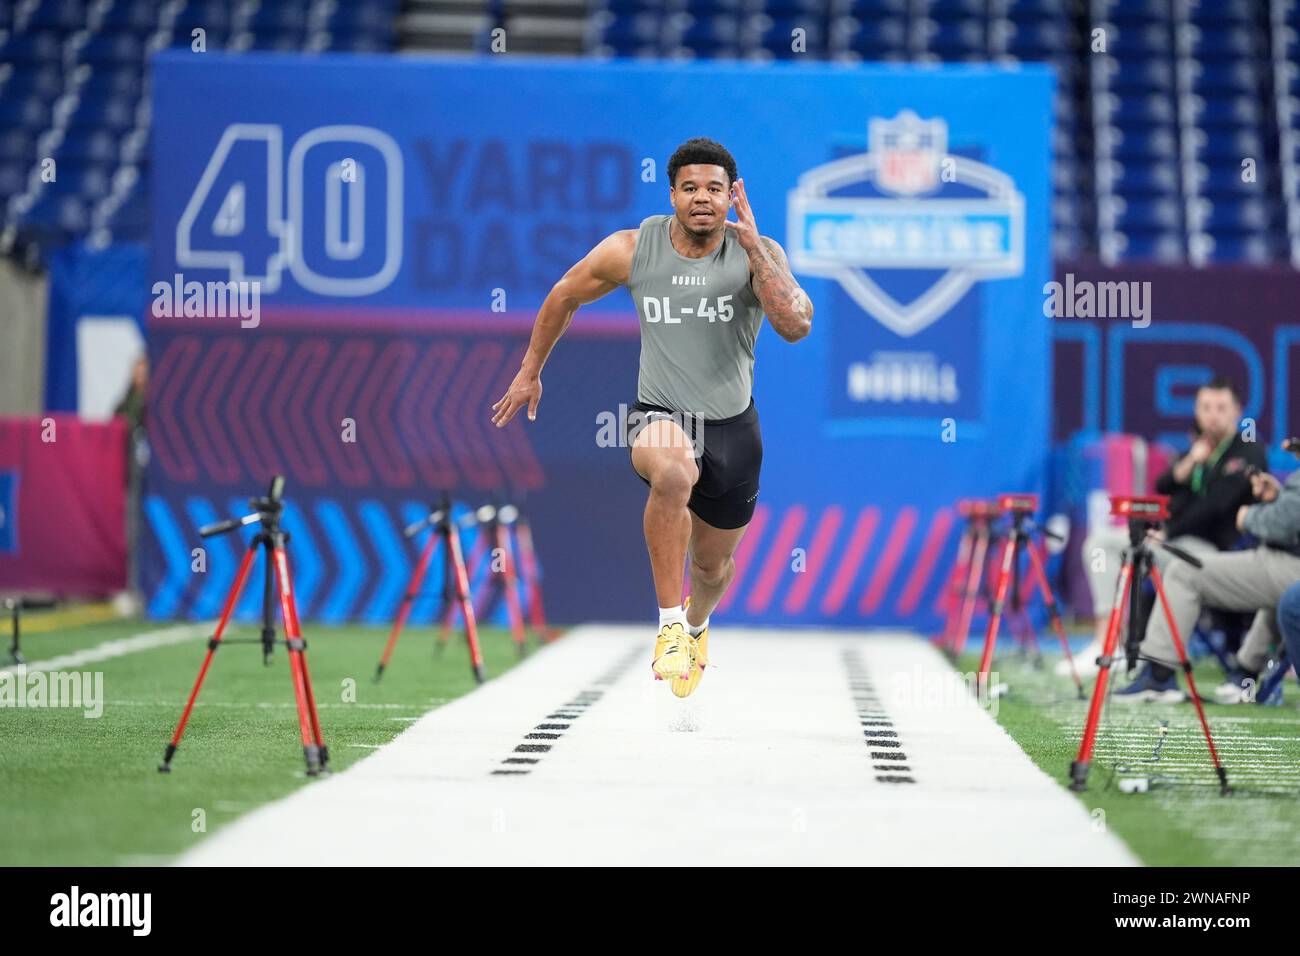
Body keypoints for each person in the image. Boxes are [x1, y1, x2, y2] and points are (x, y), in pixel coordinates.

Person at [490, 137, 813, 699]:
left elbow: (796, 324)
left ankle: (695, 624)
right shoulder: (632, 249)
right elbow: (564, 295)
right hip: (659, 413)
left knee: (712, 570)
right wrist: (529, 371)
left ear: (732, 195)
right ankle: (667, 628)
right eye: (690, 189)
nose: (702, 199)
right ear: (673, 196)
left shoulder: (758, 253)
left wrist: (756, 247)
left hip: (734, 431)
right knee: (671, 472)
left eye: (714, 188)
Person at [1066, 378, 1264, 679]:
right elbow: (1163, 488)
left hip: (1215, 552)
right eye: (1205, 407)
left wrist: (1168, 532)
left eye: (1221, 408)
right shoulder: (1200, 449)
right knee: (1099, 544)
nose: (1212, 415)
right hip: (1174, 542)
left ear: (1237, 411)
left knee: (1163, 565)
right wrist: (1187, 465)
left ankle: (1156, 667)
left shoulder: (1248, 449)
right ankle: (1108, 641)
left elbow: (1216, 507)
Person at [1116, 445, 1300, 702]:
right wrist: (1279, 499)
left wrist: (1250, 516)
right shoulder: (1192, 456)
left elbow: (1281, 526)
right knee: (1284, 597)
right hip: (1284, 564)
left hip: (1288, 563)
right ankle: (1244, 676)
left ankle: (1159, 674)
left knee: (1184, 573)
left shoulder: (1245, 451)